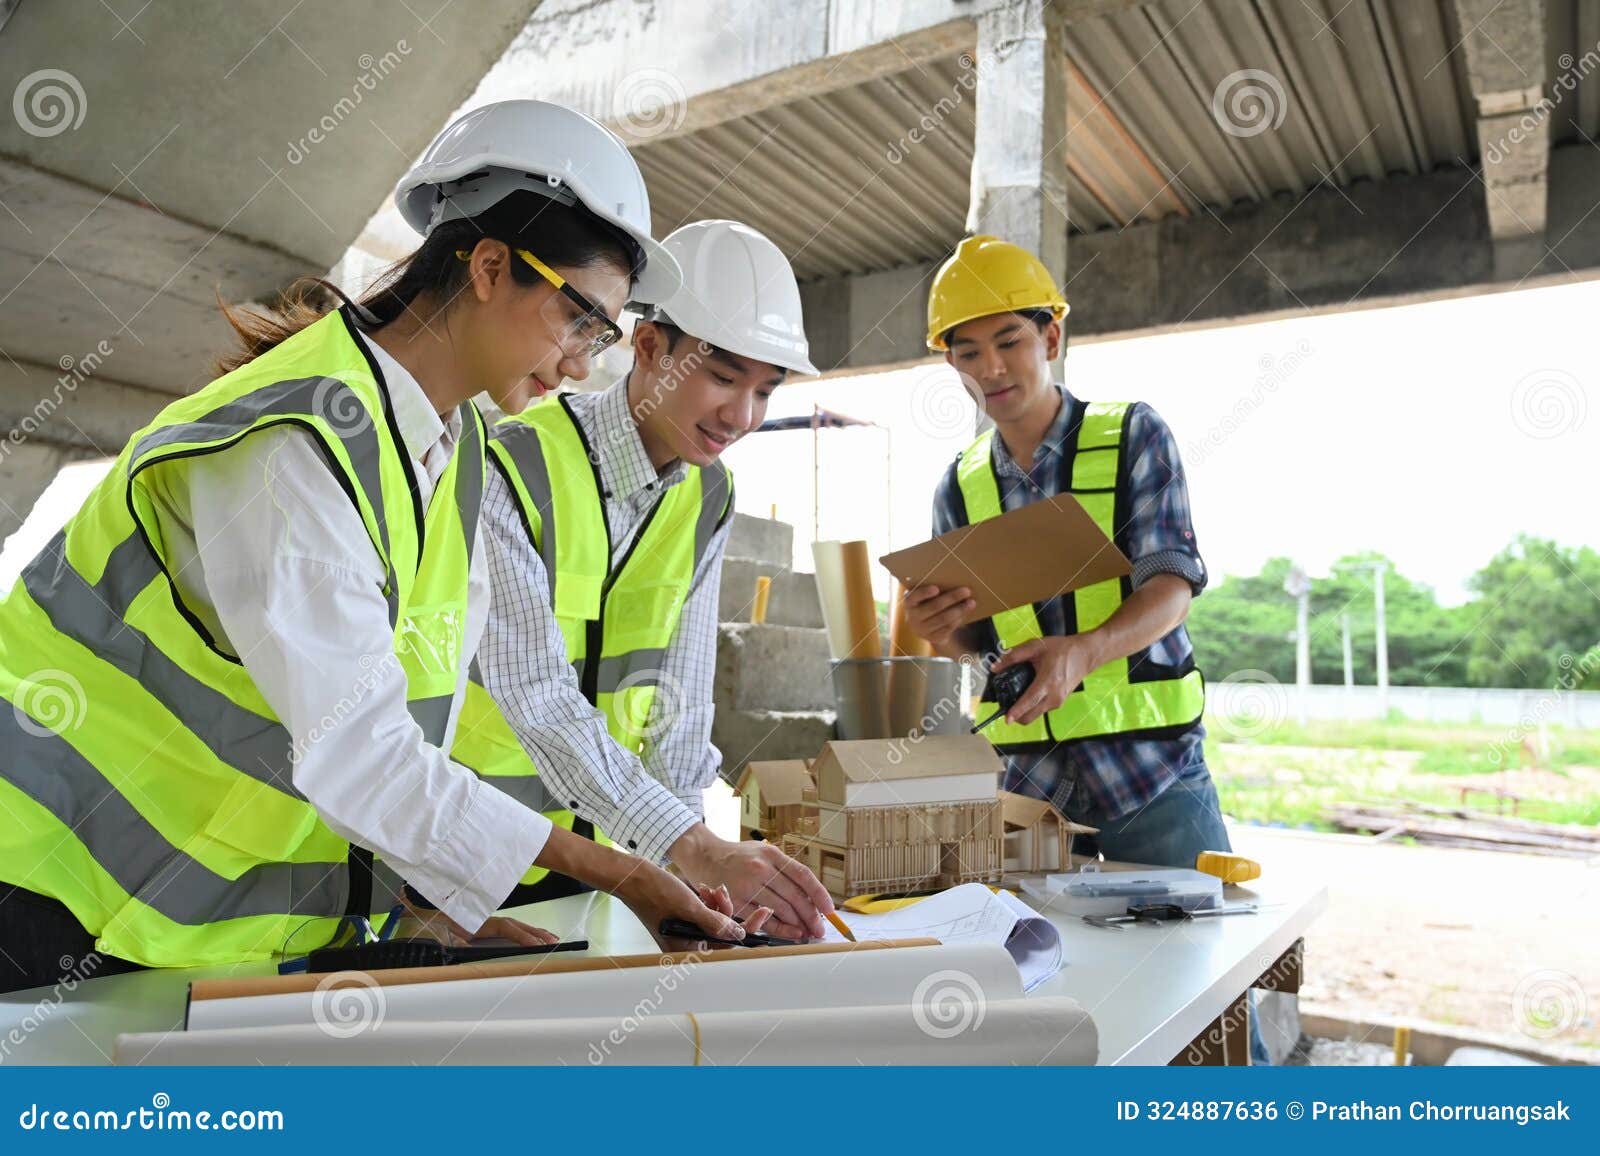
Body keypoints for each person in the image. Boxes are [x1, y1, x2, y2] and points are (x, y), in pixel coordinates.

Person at [0, 100, 751, 994]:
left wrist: (418, 914)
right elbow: (359, 754)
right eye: (581, 318)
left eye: (603, 335)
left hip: (185, 927)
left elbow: (394, 731)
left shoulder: (458, 451)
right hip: (50, 890)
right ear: (488, 266)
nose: (586, 363)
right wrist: (626, 873)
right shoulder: (296, 446)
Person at [454, 219, 836, 942]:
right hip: (465, 863)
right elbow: (536, 698)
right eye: (723, 376)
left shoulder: (708, 496)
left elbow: (680, 709)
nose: (741, 416)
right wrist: (691, 846)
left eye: (765, 390)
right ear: (651, 347)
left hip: (598, 871)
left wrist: (703, 869)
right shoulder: (509, 466)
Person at [904, 234, 1222, 870]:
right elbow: (981, 649)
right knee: (1033, 965)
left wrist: (1085, 651)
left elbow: (1172, 587)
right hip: (1026, 789)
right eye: (968, 353)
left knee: (1189, 963)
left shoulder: (1133, 434)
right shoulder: (958, 486)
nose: (990, 368)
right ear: (953, 367)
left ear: (1050, 340)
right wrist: (942, 634)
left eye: (1009, 342)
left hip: (1151, 776)